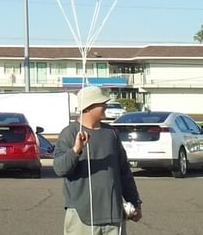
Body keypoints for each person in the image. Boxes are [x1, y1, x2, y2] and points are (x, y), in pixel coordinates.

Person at [53, 85, 143, 234]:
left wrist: (135, 202)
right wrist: (76, 150)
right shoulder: (69, 133)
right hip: (82, 217)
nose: (106, 105)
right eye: (102, 103)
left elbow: (124, 172)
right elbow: (60, 168)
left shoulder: (112, 133)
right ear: (89, 107)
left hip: (114, 216)